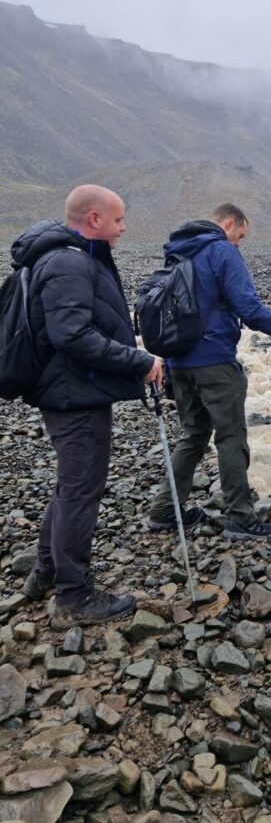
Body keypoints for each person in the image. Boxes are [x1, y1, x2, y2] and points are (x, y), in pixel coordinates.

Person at [15, 185, 163, 629]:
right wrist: (140, 361)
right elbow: (72, 336)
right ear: (94, 219)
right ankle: (73, 596)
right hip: (73, 397)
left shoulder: (70, 257)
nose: (123, 228)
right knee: (81, 491)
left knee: (69, 485)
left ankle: (44, 573)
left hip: (72, 392)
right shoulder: (69, 261)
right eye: (118, 220)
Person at [147, 204, 271, 541]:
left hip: (178, 361)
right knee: (231, 437)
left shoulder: (178, 254)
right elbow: (248, 308)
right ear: (228, 224)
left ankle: (165, 510)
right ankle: (240, 515)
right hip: (214, 362)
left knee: (193, 435)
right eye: (240, 236)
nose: (239, 243)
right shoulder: (222, 251)